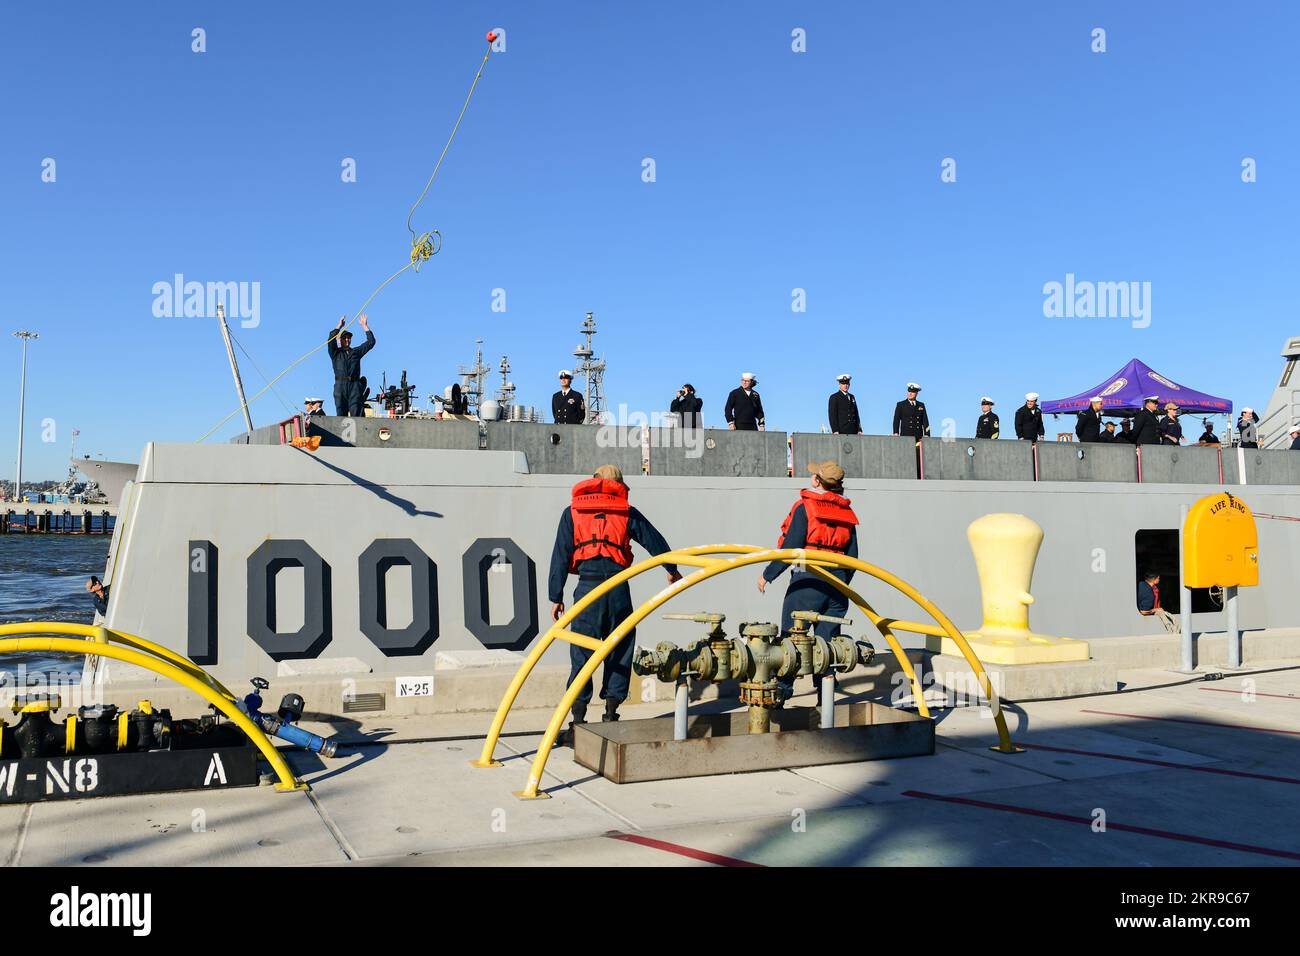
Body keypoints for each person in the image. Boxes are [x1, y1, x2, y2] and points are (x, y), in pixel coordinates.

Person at [548, 465, 681, 744]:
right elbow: (654, 541)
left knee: (582, 655)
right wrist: (672, 568)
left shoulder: (572, 511)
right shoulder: (625, 510)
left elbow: (560, 556)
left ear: (594, 482)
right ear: (618, 485)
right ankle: (610, 717)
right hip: (618, 588)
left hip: (587, 590)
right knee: (620, 649)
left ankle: (578, 723)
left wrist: (556, 596)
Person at [758, 461, 858, 692]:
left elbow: (791, 547)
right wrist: (840, 583)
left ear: (816, 481)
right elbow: (853, 556)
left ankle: (782, 694)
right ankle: (826, 702)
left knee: (791, 641)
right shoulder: (847, 513)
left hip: (807, 581)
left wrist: (767, 575)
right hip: (838, 585)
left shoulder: (806, 508)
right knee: (827, 648)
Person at [327, 314, 375, 416]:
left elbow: (371, 342)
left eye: (349, 338)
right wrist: (339, 326)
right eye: (344, 338)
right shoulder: (335, 353)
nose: (347, 340)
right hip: (340, 386)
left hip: (354, 386)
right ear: (340, 340)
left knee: (356, 414)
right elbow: (331, 339)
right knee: (341, 415)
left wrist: (364, 325)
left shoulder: (356, 352)